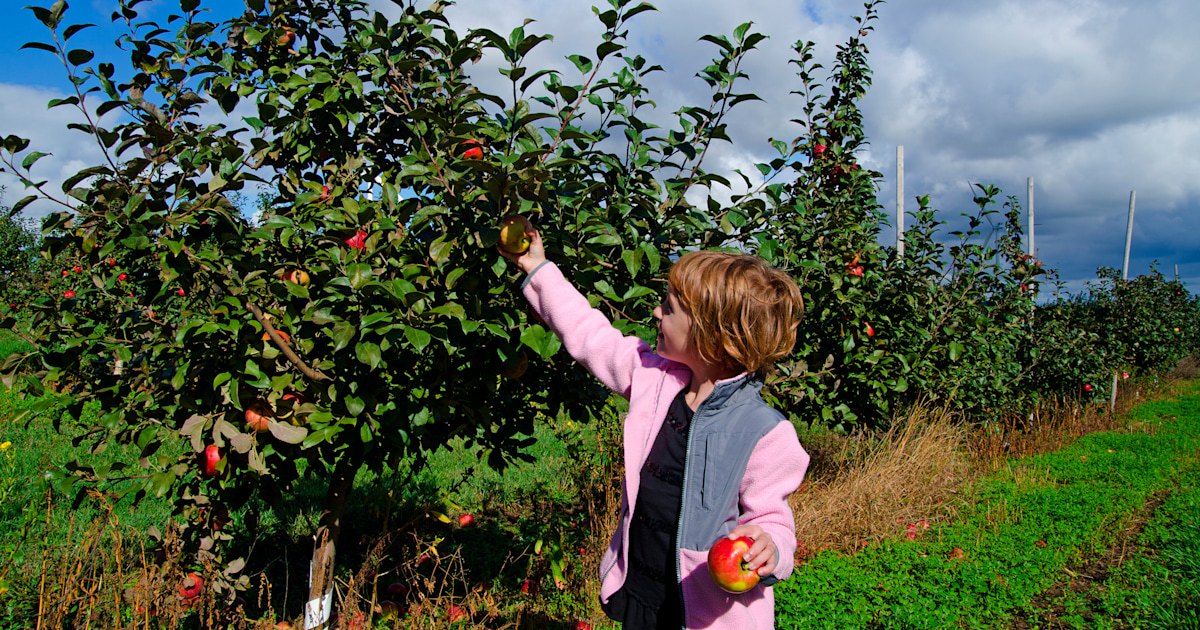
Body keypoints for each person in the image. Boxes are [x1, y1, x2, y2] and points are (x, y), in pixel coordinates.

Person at [499, 217, 810, 629]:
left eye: (670, 307)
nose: (656, 310)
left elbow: (772, 519)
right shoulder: (655, 381)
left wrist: (768, 546)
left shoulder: (764, 433)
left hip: (708, 614)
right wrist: (538, 269)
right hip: (645, 595)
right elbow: (591, 334)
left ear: (713, 336)